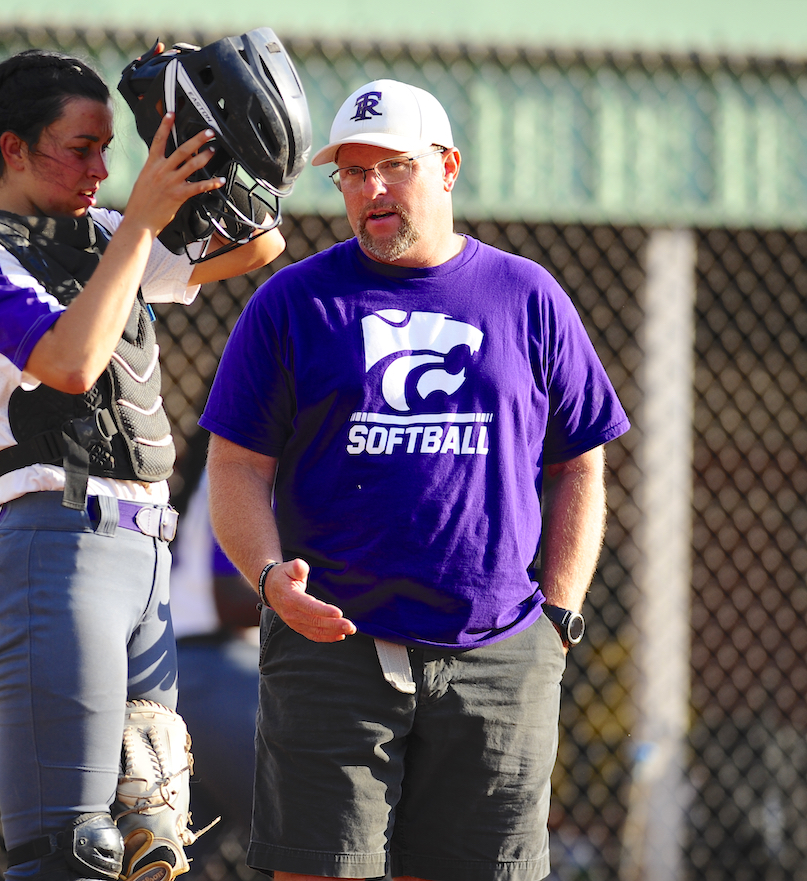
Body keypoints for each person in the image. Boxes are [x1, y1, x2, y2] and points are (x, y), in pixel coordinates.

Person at [201, 79, 631, 881]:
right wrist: (268, 581)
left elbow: (581, 460)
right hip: (333, 646)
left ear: (448, 167)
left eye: (391, 167)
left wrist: (560, 614)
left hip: (501, 652)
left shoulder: (527, 298)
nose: (371, 192)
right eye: (352, 176)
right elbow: (235, 465)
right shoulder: (292, 303)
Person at [0, 49, 285, 881]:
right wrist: (140, 223)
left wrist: (202, 128)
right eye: (79, 147)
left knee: (155, 839)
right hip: (56, 545)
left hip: (143, 553)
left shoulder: (102, 234)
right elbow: (74, 362)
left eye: (109, 146)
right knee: (75, 852)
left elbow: (258, 242)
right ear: (13, 150)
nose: (103, 168)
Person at [170, 463, 260, 866]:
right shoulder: (246, 463)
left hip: (207, 675)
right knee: (319, 843)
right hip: (210, 668)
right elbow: (232, 599)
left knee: (169, 863)